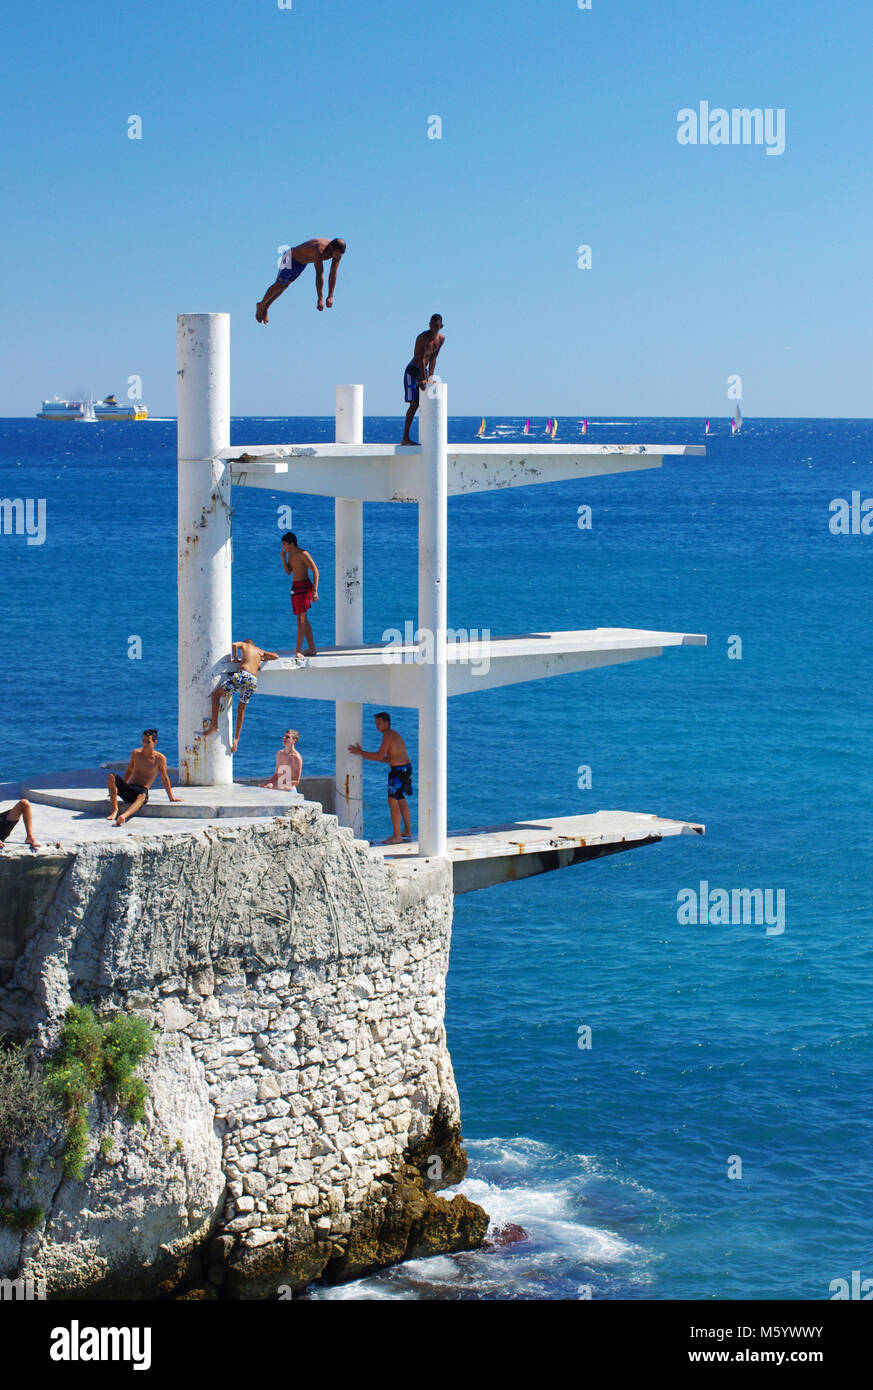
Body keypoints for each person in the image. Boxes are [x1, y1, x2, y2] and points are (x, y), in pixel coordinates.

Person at [348, 712, 413, 844]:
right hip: (405, 768)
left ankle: (397, 837)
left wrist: (361, 753)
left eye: (379, 722)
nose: (377, 725)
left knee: (392, 801)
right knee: (401, 799)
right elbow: (389, 758)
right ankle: (407, 831)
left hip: (398, 771)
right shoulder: (393, 734)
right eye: (375, 723)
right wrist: (365, 754)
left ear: (386, 722)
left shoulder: (388, 735)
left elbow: (379, 756)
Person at [205, 641, 280, 752]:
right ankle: (236, 739)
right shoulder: (259, 651)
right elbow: (276, 656)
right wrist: (263, 657)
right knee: (241, 709)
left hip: (243, 676)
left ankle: (214, 725)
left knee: (215, 695)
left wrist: (235, 658)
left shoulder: (246, 645)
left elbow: (235, 645)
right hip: (253, 681)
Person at [256, 237, 346, 324]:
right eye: (337, 254)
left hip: (302, 264)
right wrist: (320, 298)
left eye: (340, 255)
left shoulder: (337, 251)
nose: (338, 257)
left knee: (284, 286)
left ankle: (266, 308)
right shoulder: (319, 249)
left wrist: (330, 296)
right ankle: (261, 304)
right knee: (280, 285)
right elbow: (319, 274)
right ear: (331, 248)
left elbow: (333, 273)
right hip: (290, 258)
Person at [106, 730, 183, 826]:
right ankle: (115, 810)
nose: (145, 744)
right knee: (111, 776)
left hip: (141, 791)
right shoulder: (135, 753)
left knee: (142, 796)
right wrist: (118, 787)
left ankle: (124, 816)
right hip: (130, 788)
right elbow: (129, 770)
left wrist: (171, 797)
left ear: (155, 742)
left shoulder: (159, 758)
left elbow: (164, 778)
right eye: (143, 741)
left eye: (148, 741)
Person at [400, 315, 445, 446]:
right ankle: (405, 438)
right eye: (432, 325)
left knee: (423, 403)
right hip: (412, 371)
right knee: (413, 404)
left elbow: (433, 358)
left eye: (437, 326)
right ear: (429, 324)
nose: (434, 328)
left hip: (422, 371)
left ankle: (420, 436)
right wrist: (423, 379)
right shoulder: (422, 338)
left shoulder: (441, 339)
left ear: (441, 326)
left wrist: (430, 377)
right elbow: (421, 358)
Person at [281, 533, 319, 658]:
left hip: (304, 587)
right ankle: (312, 648)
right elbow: (288, 572)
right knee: (303, 619)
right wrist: (283, 558)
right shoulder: (291, 555)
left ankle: (298, 650)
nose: (283, 547)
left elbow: (315, 570)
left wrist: (315, 590)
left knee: (300, 619)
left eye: (285, 544)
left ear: (291, 543)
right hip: (295, 587)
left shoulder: (303, 554)